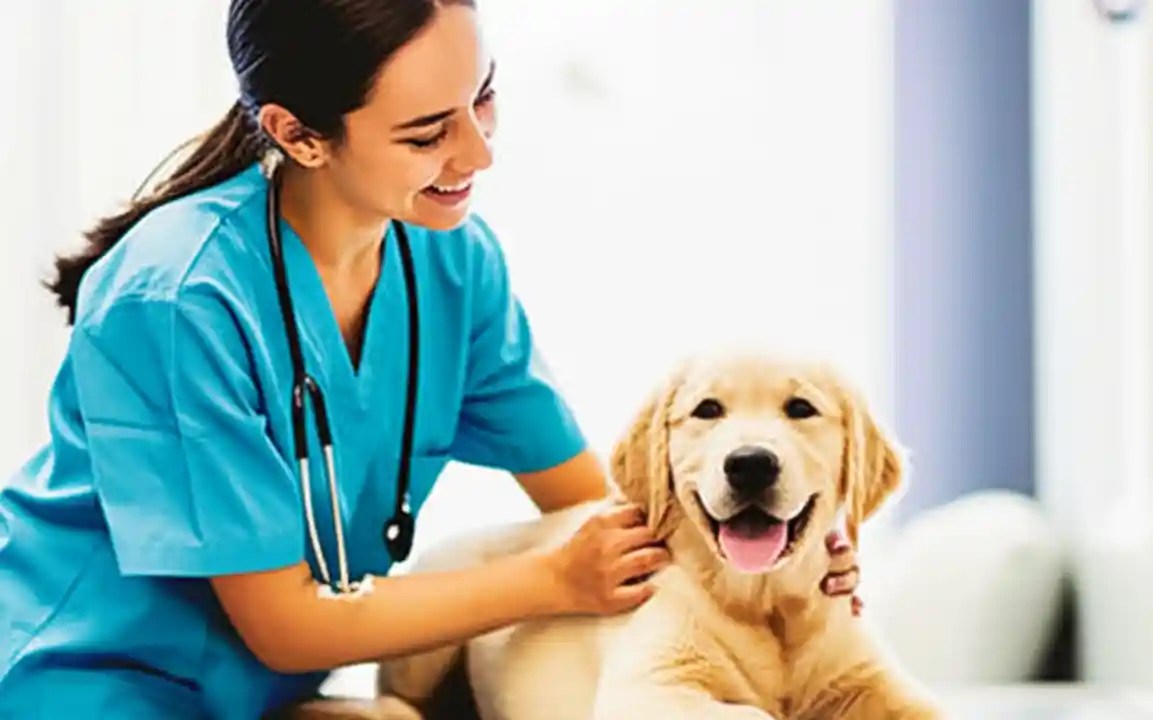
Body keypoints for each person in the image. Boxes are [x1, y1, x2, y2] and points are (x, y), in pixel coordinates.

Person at [0, 1, 860, 717]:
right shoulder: (179, 300)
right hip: (87, 682)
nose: (479, 153)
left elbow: (594, 508)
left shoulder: (450, 262)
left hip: (260, 698)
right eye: (427, 134)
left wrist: (770, 542)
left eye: (483, 99)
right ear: (298, 135)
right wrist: (554, 579)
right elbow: (284, 625)